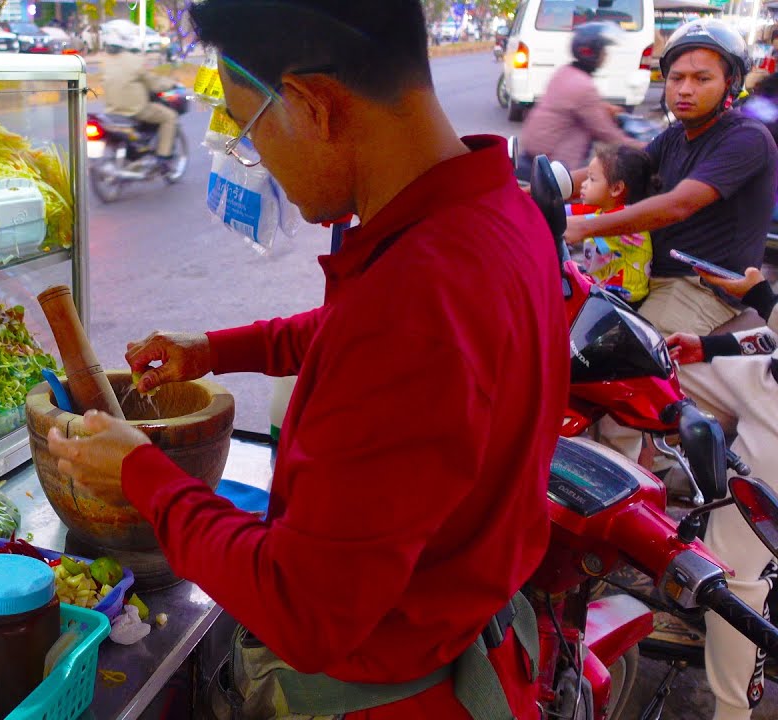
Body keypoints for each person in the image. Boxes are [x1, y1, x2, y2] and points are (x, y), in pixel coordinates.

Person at [47, 1, 568, 717]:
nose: (259, 161)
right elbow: (350, 334)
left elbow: (302, 611)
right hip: (470, 636)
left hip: (387, 693)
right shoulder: (496, 213)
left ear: (312, 105)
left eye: (251, 129)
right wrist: (216, 351)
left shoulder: (415, 304)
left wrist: (142, 473)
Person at [564, 19, 778, 338]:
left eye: (701, 78)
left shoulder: (747, 139)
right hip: (649, 272)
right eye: (676, 78)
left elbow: (680, 204)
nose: (685, 89)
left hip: (700, 289)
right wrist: (545, 186)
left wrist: (582, 227)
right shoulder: (676, 135)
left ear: (730, 83)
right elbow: (619, 170)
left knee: (613, 353)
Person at [667, 268, 778, 720]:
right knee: (636, 365)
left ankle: (733, 712)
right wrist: (709, 347)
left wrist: (760, 295)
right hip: (762, 376)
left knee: (731, 576)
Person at [520, 22, 645, 174]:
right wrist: (645, 147)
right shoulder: (584, 86)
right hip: (555, 169)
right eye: (603, 50)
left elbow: (573, 103)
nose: (606, 55)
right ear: (593, 52)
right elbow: (607, 134)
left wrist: (604, 107)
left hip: (533, 157)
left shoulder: (565, 73)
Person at [571, 144, 660, 302]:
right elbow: (567, 211)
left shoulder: (624, 222)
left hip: (621, 297)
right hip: (604, 287)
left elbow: (570, 224)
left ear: (616, 188)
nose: (583, 184)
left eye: (592, 179)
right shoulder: (601, 211)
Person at [102, 46, 178, 166]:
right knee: (170, 117)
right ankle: (163, 156)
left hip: (112, 111)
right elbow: (155, 84)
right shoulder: (135, 61)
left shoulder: (107, 61)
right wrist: (172, 84)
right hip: (135, 110)